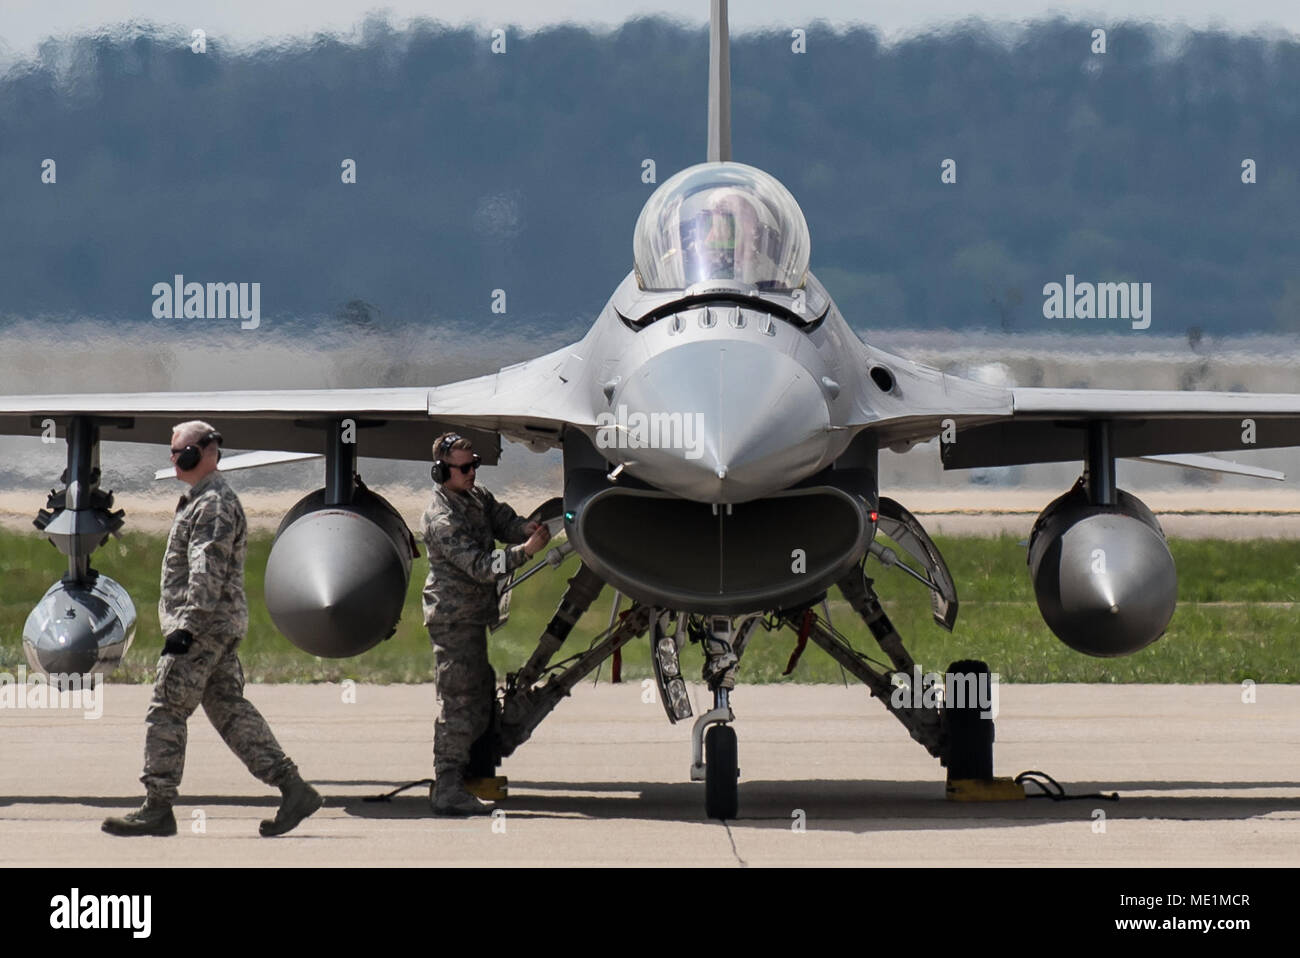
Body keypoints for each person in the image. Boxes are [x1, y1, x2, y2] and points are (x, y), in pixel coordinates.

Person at [102, 420, 322, 837]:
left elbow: (207, 570)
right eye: (172, 451)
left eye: (180, 450)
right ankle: (294, 789)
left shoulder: (214, 504)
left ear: (205, 451)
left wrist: (186, 627)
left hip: (203, 627)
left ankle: (158, 806)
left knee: (166, 708)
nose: (174, 458)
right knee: (229, 710)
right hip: (211, 625)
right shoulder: (200, 499)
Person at [422, 432, 550, 815]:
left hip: (472, 619)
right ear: (442, 472)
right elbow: (480, 567)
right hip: (452, 620)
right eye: (464, 468)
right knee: (459, 701)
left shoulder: (474, 498)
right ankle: (447, 785)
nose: (472, 472)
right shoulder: (442, 518)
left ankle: (468, 776)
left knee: (478, 697)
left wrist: (523, 528)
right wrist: (525, 553)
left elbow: (500, 519)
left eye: (474, 464)